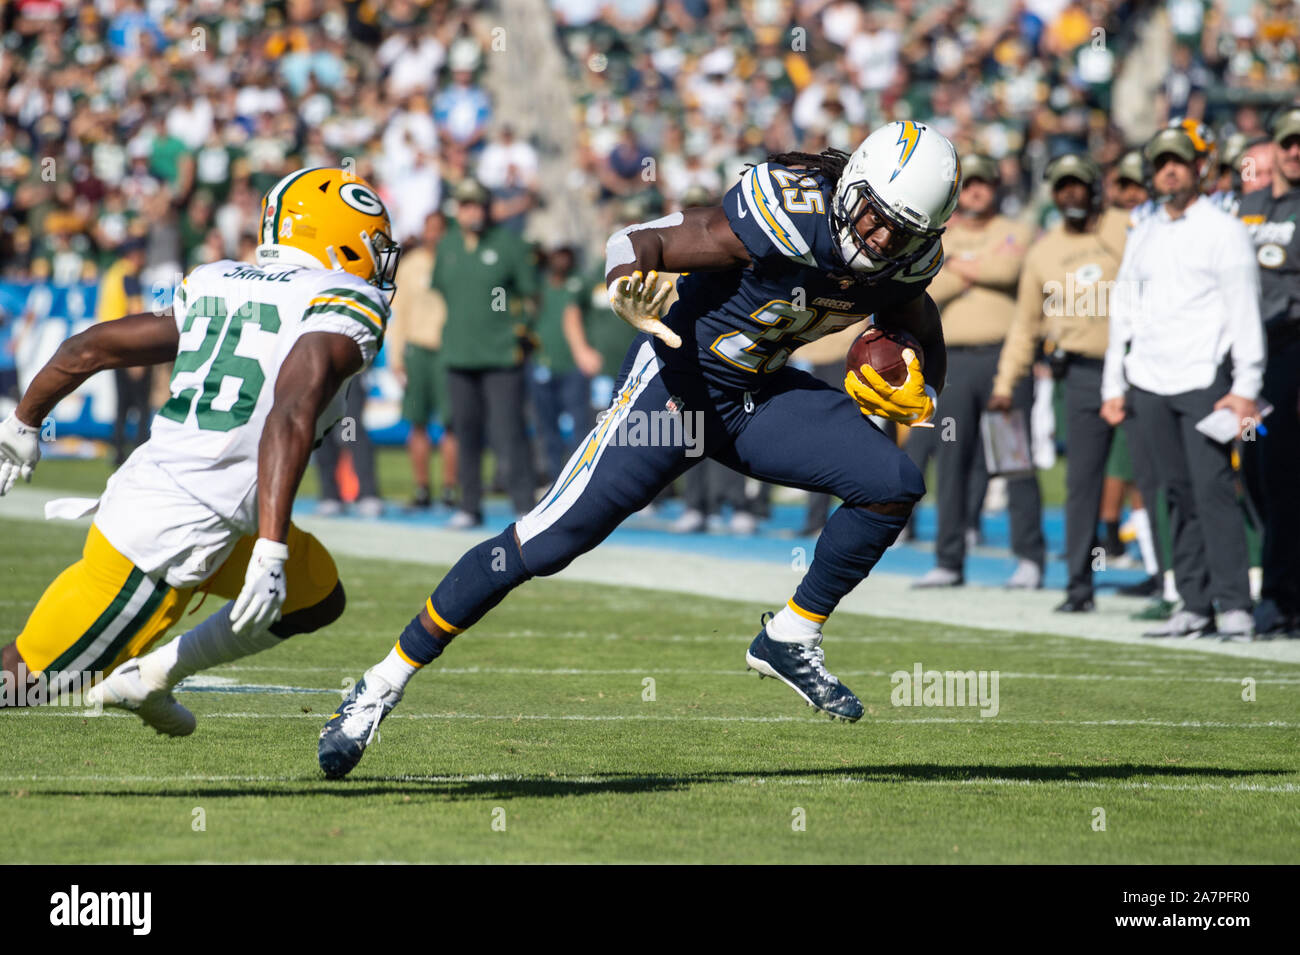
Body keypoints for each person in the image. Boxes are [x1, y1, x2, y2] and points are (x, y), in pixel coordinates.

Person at [318, 121, 959, 778]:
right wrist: (627, 277)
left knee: (891, 479)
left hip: (753, 398)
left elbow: (918, 318)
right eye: (875, 217)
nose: (880, 238)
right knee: (543, 541)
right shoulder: (788, 209)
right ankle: (379, 684)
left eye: (901, 231)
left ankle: (791, 634)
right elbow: (640, 238)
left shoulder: (906, 260)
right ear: (852, 188)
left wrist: (925, 389)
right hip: (676, 389)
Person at [0, 167, 398, 732]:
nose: (380, 259)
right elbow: (290, 410)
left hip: (200, 509)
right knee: (20, 683)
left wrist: (23, 422)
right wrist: (270, 546)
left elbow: (89, 347)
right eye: (373, 243)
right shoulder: (343, 297)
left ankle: (151, 676)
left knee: (316, 596)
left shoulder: (219, 280)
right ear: (337, 235)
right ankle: (126, 670)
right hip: (168, 538)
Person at [1101, 126, 1265, 639]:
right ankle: (1192, 602)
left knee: (1213, 490)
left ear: (1200, 166)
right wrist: (1114, 382)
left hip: (1203, 379)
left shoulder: (1224, 229)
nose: (1169, 169)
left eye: (1180, 161)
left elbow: (1244, 312)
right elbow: (1124, 311)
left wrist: (1246, 385)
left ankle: (1235, 602)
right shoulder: (1144, 230)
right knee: (1171, 494)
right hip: (1148, 379)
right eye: (1161, 161)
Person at [990, 154, 1127, 612]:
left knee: (1160, 478)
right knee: (1082, 484)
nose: (1071, 194)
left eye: (1079, 185)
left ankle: (1182, 587)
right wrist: (1006, 381)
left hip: (1138, 369)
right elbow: (1025, 326)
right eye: (1062, 187)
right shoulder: (1043, 252)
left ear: (1094, 189)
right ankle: (1078, 586)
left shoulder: (1124, 229)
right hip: (1082, 374)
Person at [910, 153, 1044, 590]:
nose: (976, 191)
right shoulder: (937, 236)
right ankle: (949, 559)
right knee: (950, 461)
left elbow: (1009, 269)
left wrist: (956, 266)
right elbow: (928, 287)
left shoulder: (1015, 231)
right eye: (970, 184)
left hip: (1003, 360)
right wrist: (970, 268)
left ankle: (1029, 558)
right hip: (951, 363)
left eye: (985, 183)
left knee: (1012, 459)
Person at [435, 178, 538, 528]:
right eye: (465, 205)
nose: (471, 211)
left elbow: (530, 294)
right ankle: (469, 505)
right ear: (458, 209)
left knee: (509, 432)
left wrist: (518, 330)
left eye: (477, 204)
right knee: (466, 433)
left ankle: (524, 505)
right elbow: (441, 294)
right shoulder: (447, 245)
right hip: (459, 354)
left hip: (501, 356)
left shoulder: (508, 245)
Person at [1237, 105, 1300, 637]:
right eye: (1288, 143)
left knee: (1282, 479)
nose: (1296, 151)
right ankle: (1276, 585)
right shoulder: (1248, 207)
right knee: (1254, 474)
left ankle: (1281, 597)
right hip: (1248, 368)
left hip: (1291, 356)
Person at [386, 211, 457, 510]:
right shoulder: (411, 265)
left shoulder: (456, 262)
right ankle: (422, 489)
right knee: (417, 422)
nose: (434, 235)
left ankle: (451, 488)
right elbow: (399, 312)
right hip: (417, 349)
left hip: (448, 348)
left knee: (452, 423)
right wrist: (396, 356)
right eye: (430, 229)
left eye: (439, 229)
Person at [97, 236, 151, 466]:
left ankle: (117, 451)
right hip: (128, 344)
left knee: (121, 402)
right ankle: (140, 451)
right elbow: (136, 312)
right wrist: (139, 356)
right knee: (141, 402)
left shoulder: (113, 273)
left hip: (110, 342)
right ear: (134, 255)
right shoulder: (129, 275)